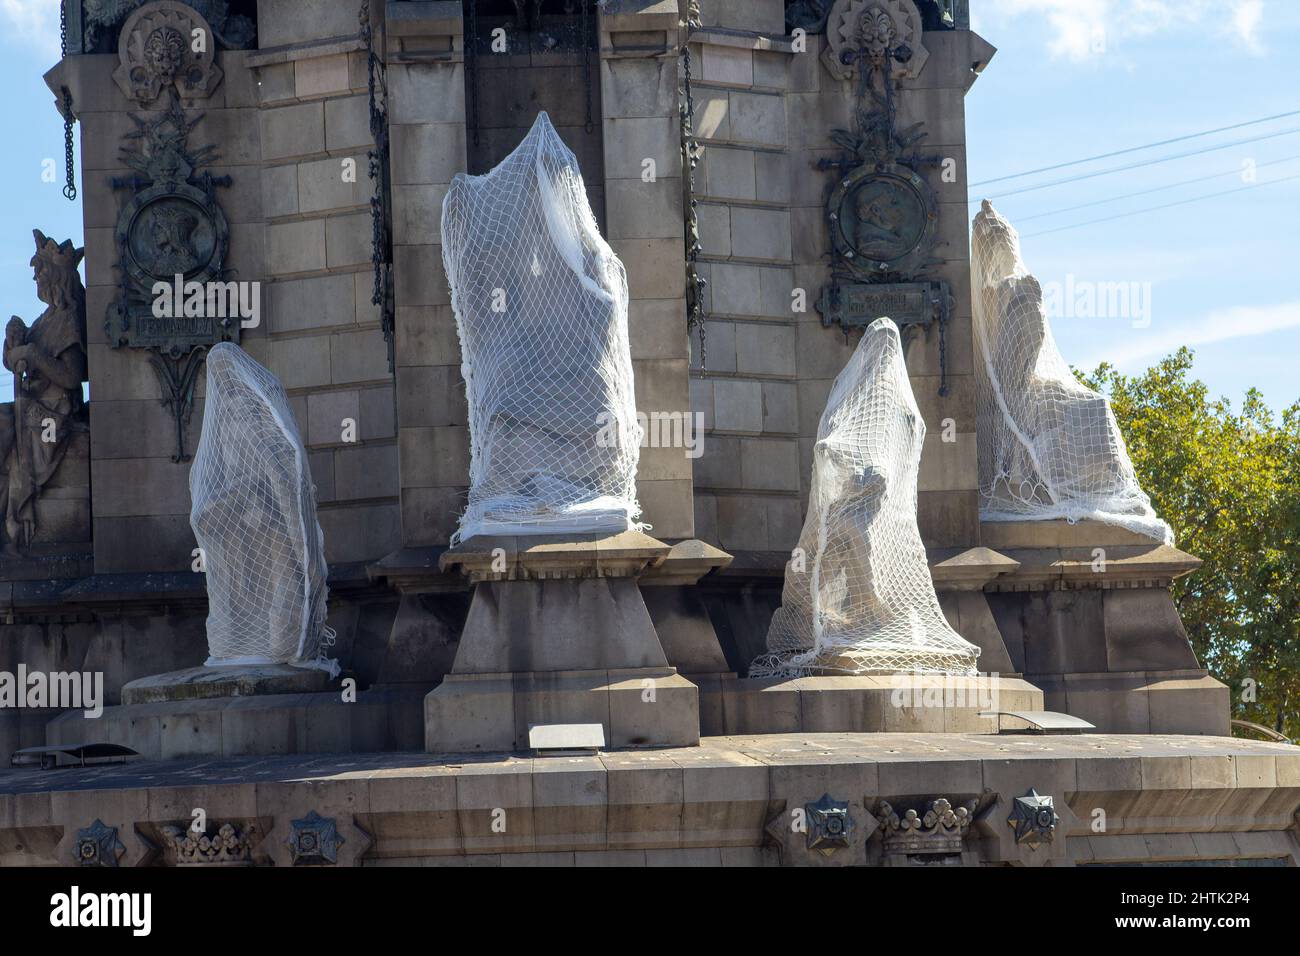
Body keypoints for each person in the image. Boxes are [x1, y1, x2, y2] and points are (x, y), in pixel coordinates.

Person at [0, 230, 87, 553]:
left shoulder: (66, 319)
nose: (36, 277)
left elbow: (72, 376)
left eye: (40, 271)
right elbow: (15, 366)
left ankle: (12, 517)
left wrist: (34, 354)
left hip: (53, 412)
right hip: (33, 406)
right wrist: (14, 340)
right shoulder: (43, 320)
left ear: (54, 276)